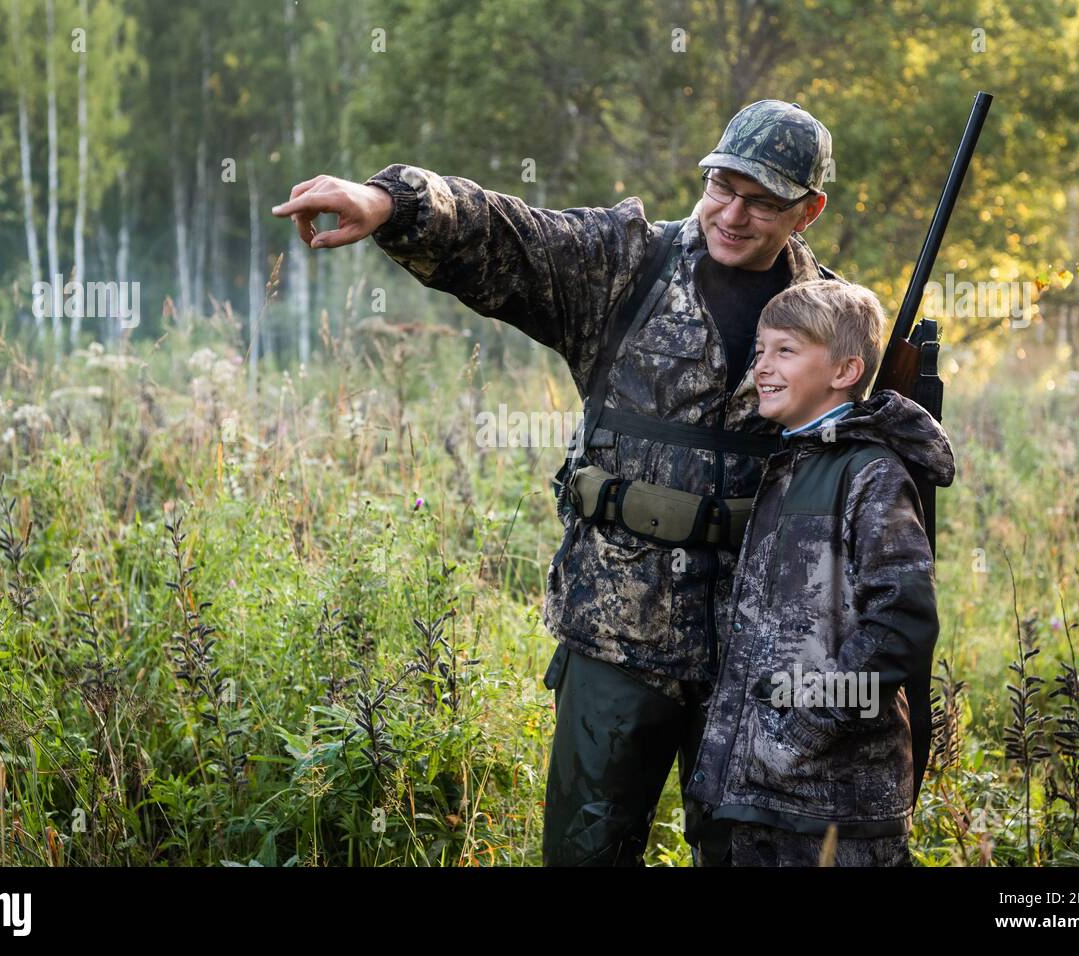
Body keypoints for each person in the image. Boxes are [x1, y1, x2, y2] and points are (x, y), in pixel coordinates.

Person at [273, 100, 839, 867]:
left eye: (763, 201)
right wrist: (392, 202)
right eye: (721, 187)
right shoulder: (625, 265)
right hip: (617, 637)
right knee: (586, 854)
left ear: (808, 210)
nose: (733, 215)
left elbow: (871, 465)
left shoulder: (833, 321)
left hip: (762, 649)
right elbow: (508, 233)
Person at [685, 279, 955, 866]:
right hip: (756, 797)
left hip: (833, 803)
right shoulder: (786, 465)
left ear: (845, 370)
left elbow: (900, 624)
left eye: (786, 350)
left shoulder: (871, 474)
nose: (762, 366)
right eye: (760, 351)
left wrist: (801, 731)